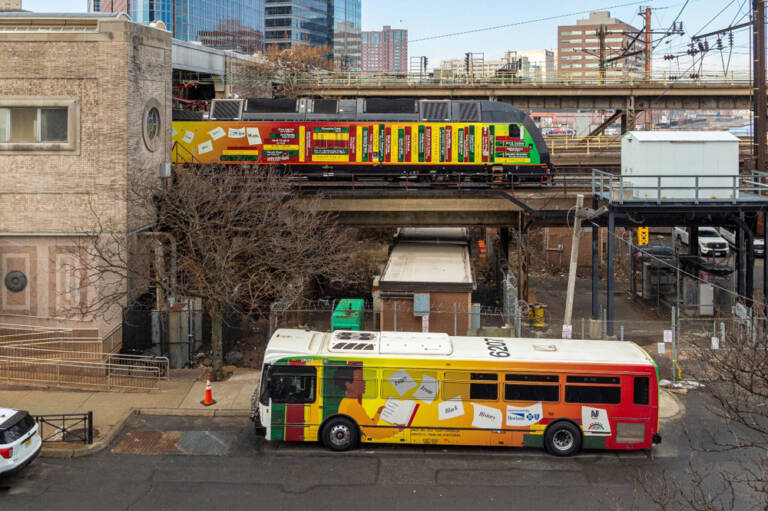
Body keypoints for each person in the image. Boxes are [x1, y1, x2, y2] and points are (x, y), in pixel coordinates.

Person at [333, 366, 402, 441]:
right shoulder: (353, 406)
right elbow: (373, 432)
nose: (364, 382)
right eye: (360, 380)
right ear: (348, 385)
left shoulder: (346, 402)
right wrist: (396, 429)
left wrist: (378, 414)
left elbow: (368, 426)